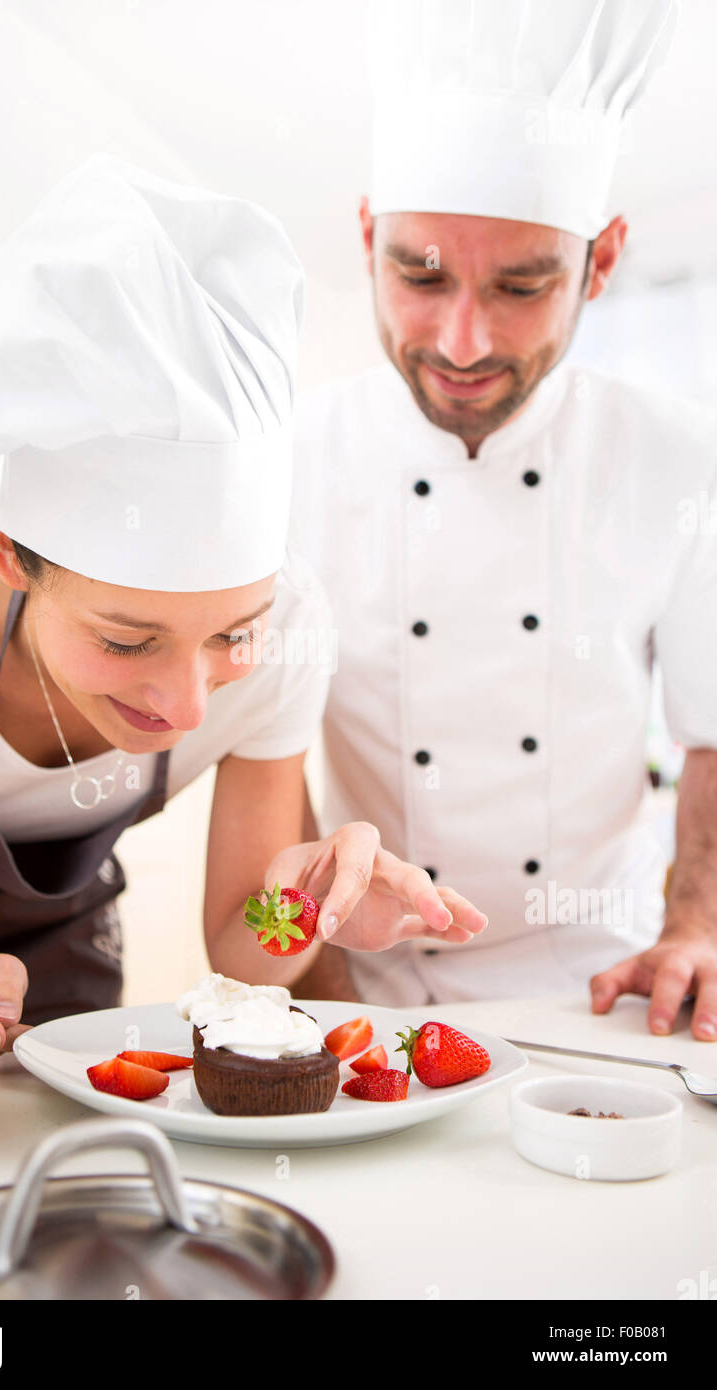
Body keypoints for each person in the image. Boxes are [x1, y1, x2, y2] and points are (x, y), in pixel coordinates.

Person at [0, 154, 486, 1066]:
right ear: (12, 558)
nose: (189, 706)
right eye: (126, 640)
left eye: (233, 633)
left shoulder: (291, 629)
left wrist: (305, 909)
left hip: (75, 963)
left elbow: (240, 946)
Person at [291, 0, 717, 1040]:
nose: (462, 341)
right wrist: (316, 985)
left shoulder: (675, 456)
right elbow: (258, 754)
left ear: (600, 263)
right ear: (367, 239)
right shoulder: (291, 458)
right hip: (359, 982)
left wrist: (697, 924)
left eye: (522, 285)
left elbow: (710, 729)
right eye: (419, 275)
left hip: (603, 980)